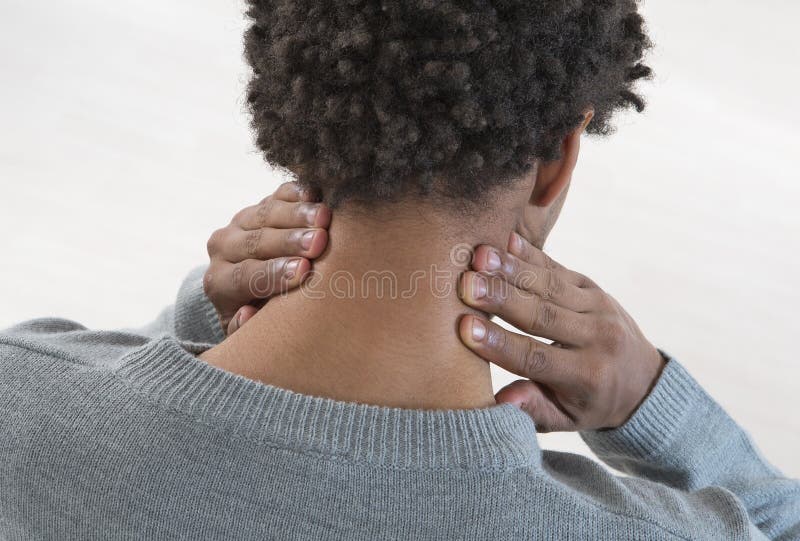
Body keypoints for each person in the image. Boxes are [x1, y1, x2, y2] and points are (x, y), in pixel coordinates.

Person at [1, 1, 798, 540]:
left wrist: (197, 324)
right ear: (556, 159)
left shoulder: (18, 395)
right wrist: (652, 403)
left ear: (293, 108)